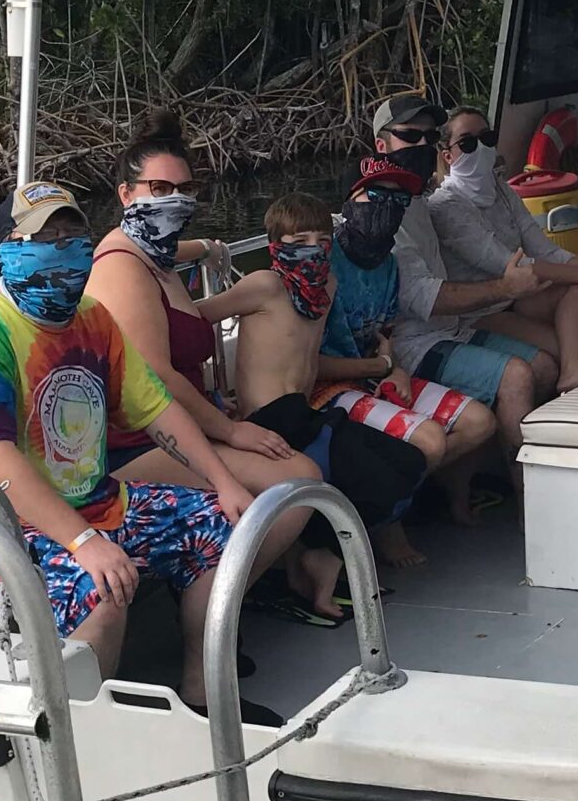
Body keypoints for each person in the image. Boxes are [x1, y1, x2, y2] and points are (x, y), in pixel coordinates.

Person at [0, 182, 240, 703]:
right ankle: (86, 736)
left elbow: (154, 407)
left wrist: (223, 481)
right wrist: (84, 542)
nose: (66, 247)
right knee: (102, 591)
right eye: (47, 237)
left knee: (227, 527)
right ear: (8, 250)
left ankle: (203, 696)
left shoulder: (92, 317)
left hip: (96, 502)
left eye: (74, 234)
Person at [84, 108, 327, 587]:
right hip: (134, 444)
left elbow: (177, 251)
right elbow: (157, 376)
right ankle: (210, 604)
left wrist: (207, 248)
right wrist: (232, 432)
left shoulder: (159, 254)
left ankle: (238, 591)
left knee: (299, 467)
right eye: (158, 190)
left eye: (184, 190)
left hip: (194, 421)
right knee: (297, 480)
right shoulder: (121, 267)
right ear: (125, 195)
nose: (172, 201)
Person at [197, 192, 435, 600]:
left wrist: (381, 364)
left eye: (320, 239)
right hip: (267, 418)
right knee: (359, 477)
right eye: (298, 241)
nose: (311, 250)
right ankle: (314, 558)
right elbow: (195, 318)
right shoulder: (264, 285)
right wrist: (213, 397)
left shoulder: (326, 286)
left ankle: (316, 553)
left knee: (409, 462)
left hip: (304, 412)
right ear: (275, 246)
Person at [317, 155, 503, 564]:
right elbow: (306, 361)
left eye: (400, 200)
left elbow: (384, 333)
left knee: (478, 423)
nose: (388, 207)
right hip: (327, 387)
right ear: (349, 201)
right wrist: (380, 369)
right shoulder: (322, 261)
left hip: (373, 372)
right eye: (376, 195)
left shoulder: (388, 264)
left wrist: (394, 367)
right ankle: (383, 521)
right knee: (429, 441)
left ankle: (385, 499)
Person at [369, 94, 553, 486]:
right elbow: (423, 299)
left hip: (451, 330)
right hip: (412, 344)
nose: (421, 146)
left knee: (544, 366)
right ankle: (529, 509)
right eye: (408, 137)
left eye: (428, 137)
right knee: (516, 376)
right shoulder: (379, 209)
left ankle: (484, 482)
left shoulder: (417, 198)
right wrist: (504, 286)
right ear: (381, 146)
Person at [428, 105, 578, 391]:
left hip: (521, 298)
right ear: (448, 156)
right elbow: (506, 264)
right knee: (577, 350)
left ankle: (573, 372)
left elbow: (542, 247)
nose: (479, 148)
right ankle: (571, 379)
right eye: (467, 142)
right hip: (481, 312)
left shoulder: (501, 190)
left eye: (486, 138)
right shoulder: (446, 206)